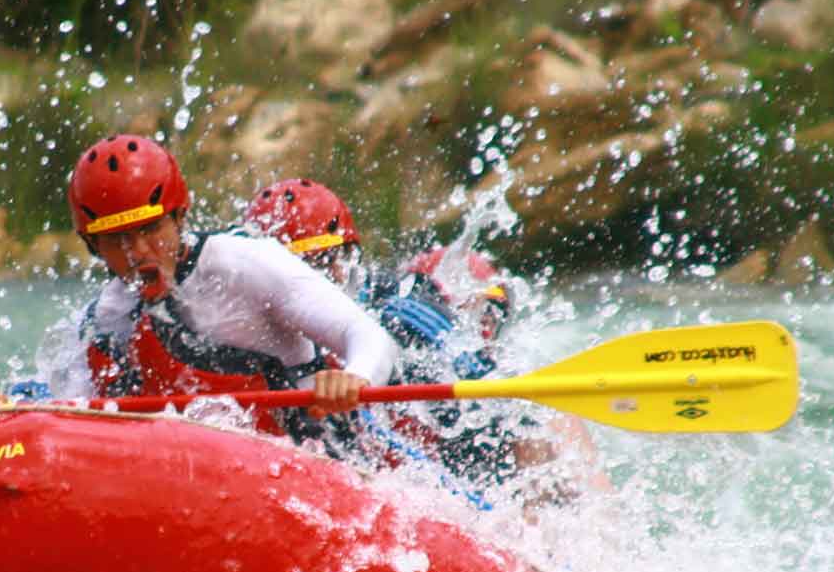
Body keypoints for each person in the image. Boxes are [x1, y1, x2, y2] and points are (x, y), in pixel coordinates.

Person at [242, 178, 601, 504]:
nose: (294, 289)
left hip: (474, 457)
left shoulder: (403, 316)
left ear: (346, 260)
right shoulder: (244, 331)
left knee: (521, 436)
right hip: (377, 461)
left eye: (314, 265)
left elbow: (509, 413)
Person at [44, 134, 398, 438]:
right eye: (116, 239)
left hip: (315, 451)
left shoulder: (246, 264)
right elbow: (72, 410)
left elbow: (368, 335)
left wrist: (355, 377)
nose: (136, 251)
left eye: (150, 229)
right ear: (93, 246)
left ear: (180, 216)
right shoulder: (109, 317)